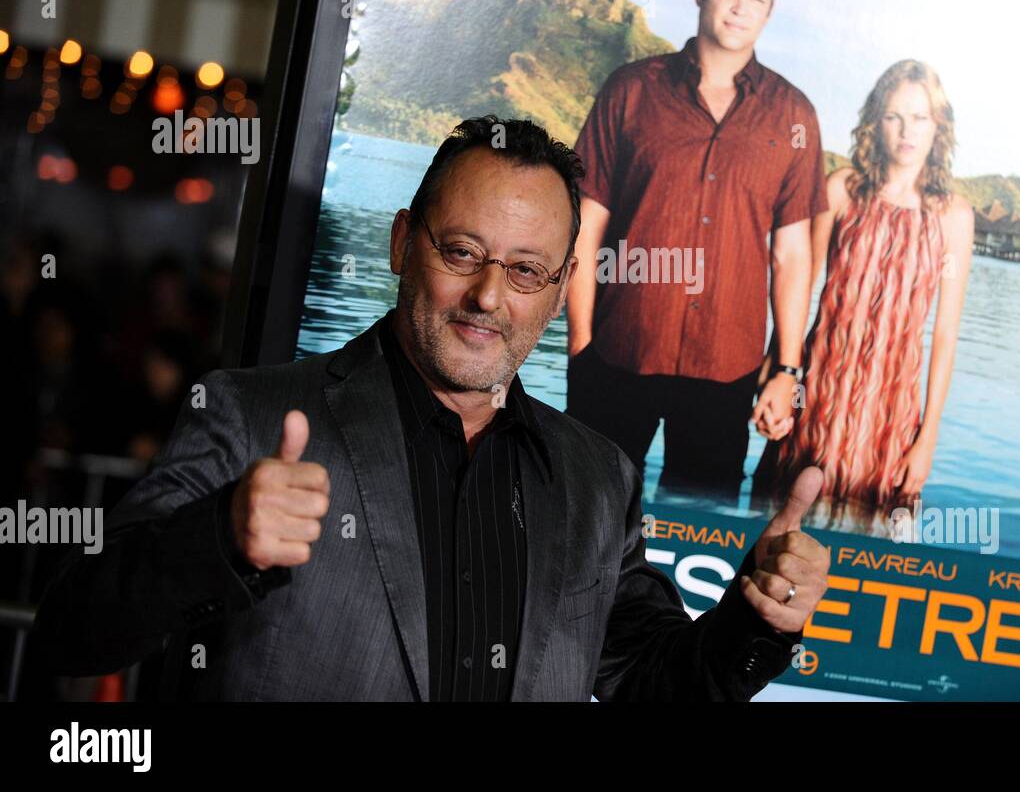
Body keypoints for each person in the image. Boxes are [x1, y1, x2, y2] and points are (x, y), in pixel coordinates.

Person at [35, 116, 830, 701]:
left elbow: (656, 689)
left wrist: (754, 622)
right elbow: (71, 629)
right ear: (401, 243)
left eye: (526, 271)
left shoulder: (598, 480)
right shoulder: (251, 414)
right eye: (462, 253)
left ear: (558, 292)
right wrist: (219, 539)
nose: (488, 296)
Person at [567, 0, 827, 505]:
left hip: (726, 372)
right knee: (585, 522)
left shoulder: (794, 115)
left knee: (700, 539)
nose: (740, 7)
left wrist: (786, 370)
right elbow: (587, 227)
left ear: (771, 9)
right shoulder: (631, 91)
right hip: (617, 356)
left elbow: (792, 256)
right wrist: (580, 346)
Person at [750, 61, 974, 534]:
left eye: (920, 118)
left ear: (939, 126)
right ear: (876, 122)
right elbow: (799, 289)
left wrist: (927, 437)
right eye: (894, 116)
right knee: (779, 533)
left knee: (866, 557)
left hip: (890, 415)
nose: (907, 131)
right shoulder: (843, 190)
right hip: (819, 397)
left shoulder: (953, 216)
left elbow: (946, 335)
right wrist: (777, 380)